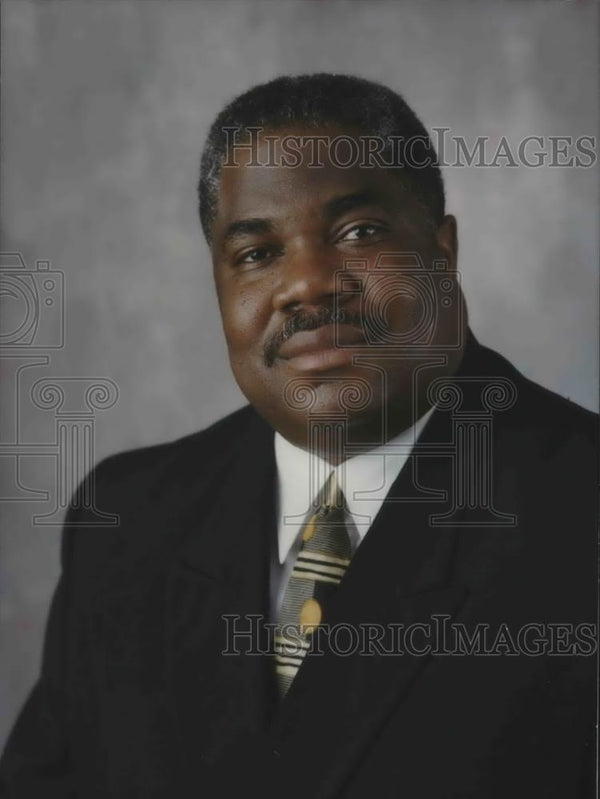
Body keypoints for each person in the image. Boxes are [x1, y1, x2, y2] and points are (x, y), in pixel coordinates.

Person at [0, 74, 596, 798]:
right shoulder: (127, 521)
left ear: (443, 250)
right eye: (256, 253)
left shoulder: (578, 508)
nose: (308, 284)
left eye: (359, 232)